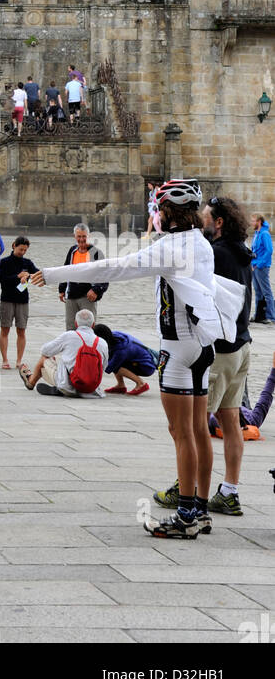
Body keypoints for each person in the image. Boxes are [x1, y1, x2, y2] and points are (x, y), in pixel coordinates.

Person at [31, 179, 246, 540]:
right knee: (196, 432)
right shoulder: (201, 244)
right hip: (202, 346)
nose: (157, 218)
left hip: (178, 348)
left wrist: (54, 274)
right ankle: (200, 511)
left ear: (166, 214)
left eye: (159, 212)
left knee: (180, 434)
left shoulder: (171, 247)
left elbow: (112, 268)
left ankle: (186, 516)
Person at [199, 195, 254, 517]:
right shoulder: (242, 252)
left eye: (206, 216)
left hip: (222, 350)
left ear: (218, 222)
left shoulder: (217, 254)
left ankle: (189, 489)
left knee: (194, 424)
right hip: (242, 346)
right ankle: (229, 491)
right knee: (231, 422)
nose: (201, 220)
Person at [19, 308, 109, 397]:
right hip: (91, 389)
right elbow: (103, 367)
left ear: (76, 323)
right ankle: (76, 389)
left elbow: (45, 350)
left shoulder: (69, 335)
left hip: (67, 384)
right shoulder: (102, 343)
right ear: (93, 324)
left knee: (45, 358)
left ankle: (31, 381)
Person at [209, 349, 275, 439]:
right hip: (240, 404)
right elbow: (265, 396)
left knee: (231, 374)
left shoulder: (214, 420)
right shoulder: (253, 421)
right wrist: (274, 370)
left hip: (222, 402)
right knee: (238, 375)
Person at [0, 236, 37, 370]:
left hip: (22, 300)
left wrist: (29, 277)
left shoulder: (28, 263)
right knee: (5, 329)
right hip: (7, 299)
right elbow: (0, 279)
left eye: (25, 250)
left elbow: (37, 274)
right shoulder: (4, 262)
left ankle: (19, 360)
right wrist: (17, 277)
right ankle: (5, 359)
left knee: (21, 331)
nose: (23, 252)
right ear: (14, 246)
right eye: (21, 249)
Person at [58, 223, 107, 329]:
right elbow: (66, 269)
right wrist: (62, 289)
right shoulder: (72, 251)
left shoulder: (96, 253)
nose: (81, 239)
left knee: (87, 329)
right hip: (71, 296)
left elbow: (105, 275)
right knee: (70, 329)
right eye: (79, 236)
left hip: (87, 297)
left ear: (88, 236)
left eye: (84, 236)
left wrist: (96, 290)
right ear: (74, 236)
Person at [93, 324, 158, 394]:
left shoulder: (120, 350)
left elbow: (108, 368)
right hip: (141, 361)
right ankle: (120, 386)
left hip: (146, 366)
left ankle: (141, 384)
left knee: (115, 366)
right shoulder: (115, 335)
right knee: (113, 361)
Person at [251, 213, 275, 323]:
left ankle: (270, 316)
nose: (252, 223)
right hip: (255, 266)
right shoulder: (257, 233)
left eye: (253, 220)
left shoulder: (265, 234)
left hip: (262, 267)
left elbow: (269, 250)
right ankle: (259, 315)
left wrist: (259, 264)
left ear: (259, 221)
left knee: (266, 292)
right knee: (258, 292)